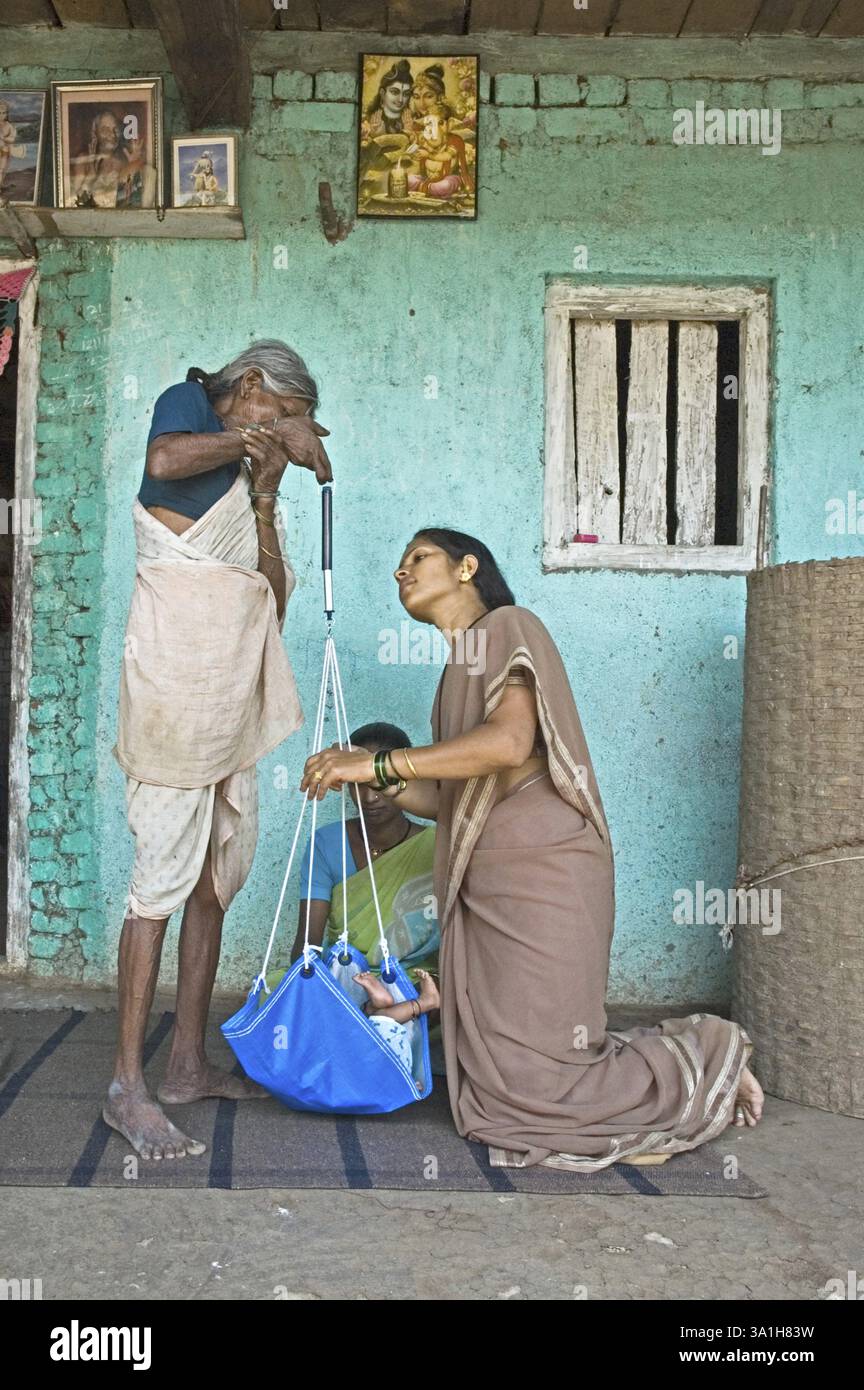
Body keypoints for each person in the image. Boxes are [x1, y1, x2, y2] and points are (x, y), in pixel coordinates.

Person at [300, 528, 764, 1172]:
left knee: (556, 1068)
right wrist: (367, 773)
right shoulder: (455, 669)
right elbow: (452, 798)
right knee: (506, 1087)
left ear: (468, 568)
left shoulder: (508, 626)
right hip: (491, 880)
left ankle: (703, 1062)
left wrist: (378, 764)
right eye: (398, 563)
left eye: (418, 558)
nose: (401, 572)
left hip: (548, 868)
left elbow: (510, 745)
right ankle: (666, 1074)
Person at [106, 340, 333, 1162]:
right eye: (281, 414)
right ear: (249, 389)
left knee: (212, 882)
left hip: (228, 699)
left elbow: (271, 598)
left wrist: (267, 495)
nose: (279, 430)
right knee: (158, 886)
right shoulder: (188, 406)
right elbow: (163, 460)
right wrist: (255, 444)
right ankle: (125, 1088)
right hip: (174, 689)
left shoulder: (244, 476)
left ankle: (187, 1065)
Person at [289, 722, 439, 986]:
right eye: (359, 784)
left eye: (380, 784)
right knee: (272, 993)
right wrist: (306, 991)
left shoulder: (434, 844)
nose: (370, 798)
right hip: (344, 979)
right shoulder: (327, 843)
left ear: (408, 782)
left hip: (414, 983)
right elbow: (308, 944)